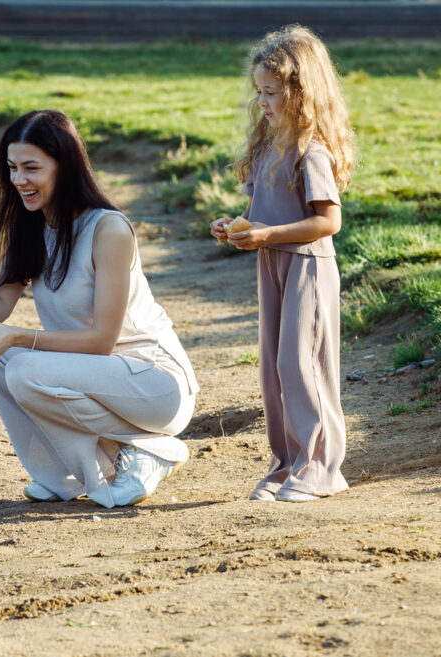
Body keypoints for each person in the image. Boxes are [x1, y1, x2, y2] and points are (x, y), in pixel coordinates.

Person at [0, 109, 198, 508]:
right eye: (12, 168)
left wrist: (20, 339)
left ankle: (150, 451)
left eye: (31, 168)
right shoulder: (32, 226)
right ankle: (60, 474)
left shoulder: (108, 229)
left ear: (65, 166)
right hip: (95, 376)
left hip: (153, 385)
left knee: (23, 366)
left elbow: (102, 341)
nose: (19, 180)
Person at [210, 25, 356, 502]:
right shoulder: (264, 150)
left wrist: (268, 235)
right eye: (260, 92)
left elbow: (327, 222)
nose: (263, 102)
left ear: (301, 91)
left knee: (301, 363)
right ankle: (286, 463)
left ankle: (320, 466)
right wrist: (234, 226)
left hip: (308, 267)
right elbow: (257, 215)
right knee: (273, 368)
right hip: (271, 266)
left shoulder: (311, 152)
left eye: (272, 92)